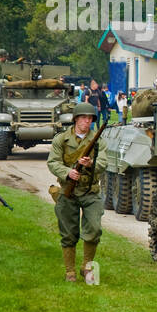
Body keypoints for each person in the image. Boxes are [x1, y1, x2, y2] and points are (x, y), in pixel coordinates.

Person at [47, 102, 107, 283]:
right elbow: (53, 162)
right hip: (68, 190)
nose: (87, 121)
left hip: (90, 191)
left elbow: (104, 163)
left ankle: (86, 267)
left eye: (90, 119)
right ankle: (70, 271)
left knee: (94, 229)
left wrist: (91, 164)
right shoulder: (61, 139)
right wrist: (68, 173)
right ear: (75, 119)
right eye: (83, 118)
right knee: (68, 233)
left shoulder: (98, 141)